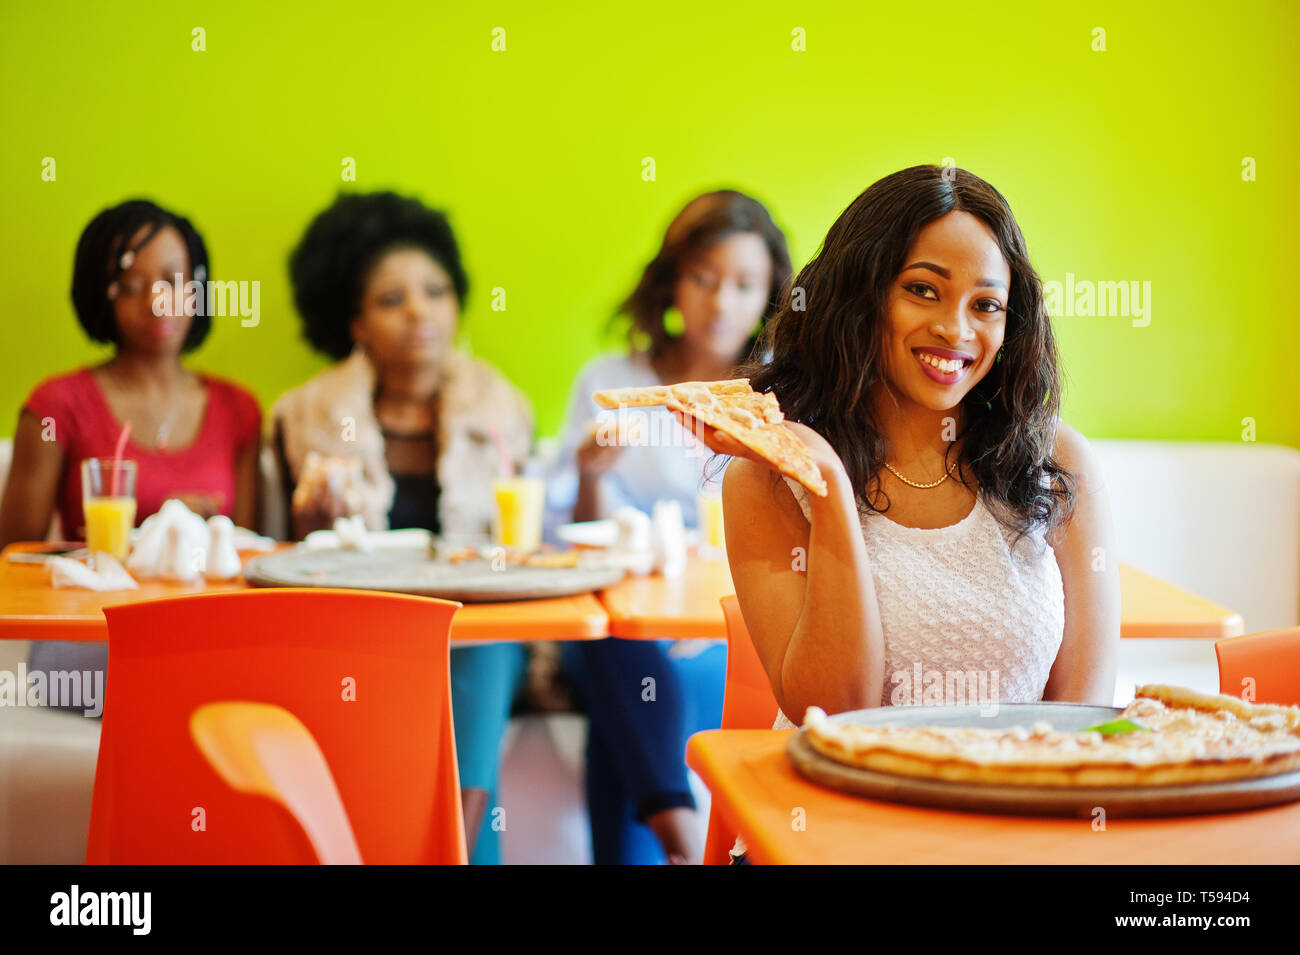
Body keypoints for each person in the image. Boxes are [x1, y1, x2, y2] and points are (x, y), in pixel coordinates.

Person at [680, 166, 1121, 862]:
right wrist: (825, 482)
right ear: (862, 296)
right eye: (923, 289)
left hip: (1017, 836)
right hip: (835, 834)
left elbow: (1085, 714)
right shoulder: (767, 481)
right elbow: (838, 709)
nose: (955, 329)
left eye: (987, 305)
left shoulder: (1057, 460)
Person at [269, 191, 532, 865]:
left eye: (435, 291)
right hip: (360, 629)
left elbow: (522, 550)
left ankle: (457, 839)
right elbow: (272, 558)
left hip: (479, 625)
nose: (420, 311)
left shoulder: (502, 409)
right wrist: (314, 528)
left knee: (480, 648)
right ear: (354, 322)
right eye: (392, 300)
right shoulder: (304, 415)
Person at [547, 189, 793, 863]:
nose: (721, 303)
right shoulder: (612, 379)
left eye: (745, 285)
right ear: (672, 283)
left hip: (728, 622)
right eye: (703, 279)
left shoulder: (776, 396)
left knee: (623, 704)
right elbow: (575, 544)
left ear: (771, 294)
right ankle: (691, 842)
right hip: (626, 624)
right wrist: (592, 474)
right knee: (620, 639)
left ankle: (675, 844)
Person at [0, 199, 262, 690]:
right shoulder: (57, 404)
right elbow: (15, 558)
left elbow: (245, 551)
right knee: (199, 681)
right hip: (88, 637)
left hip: (206, 630)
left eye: (173, 281)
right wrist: (153, 528)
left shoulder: (237, 409)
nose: (157, 301)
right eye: (130, 284)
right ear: (102, 295)